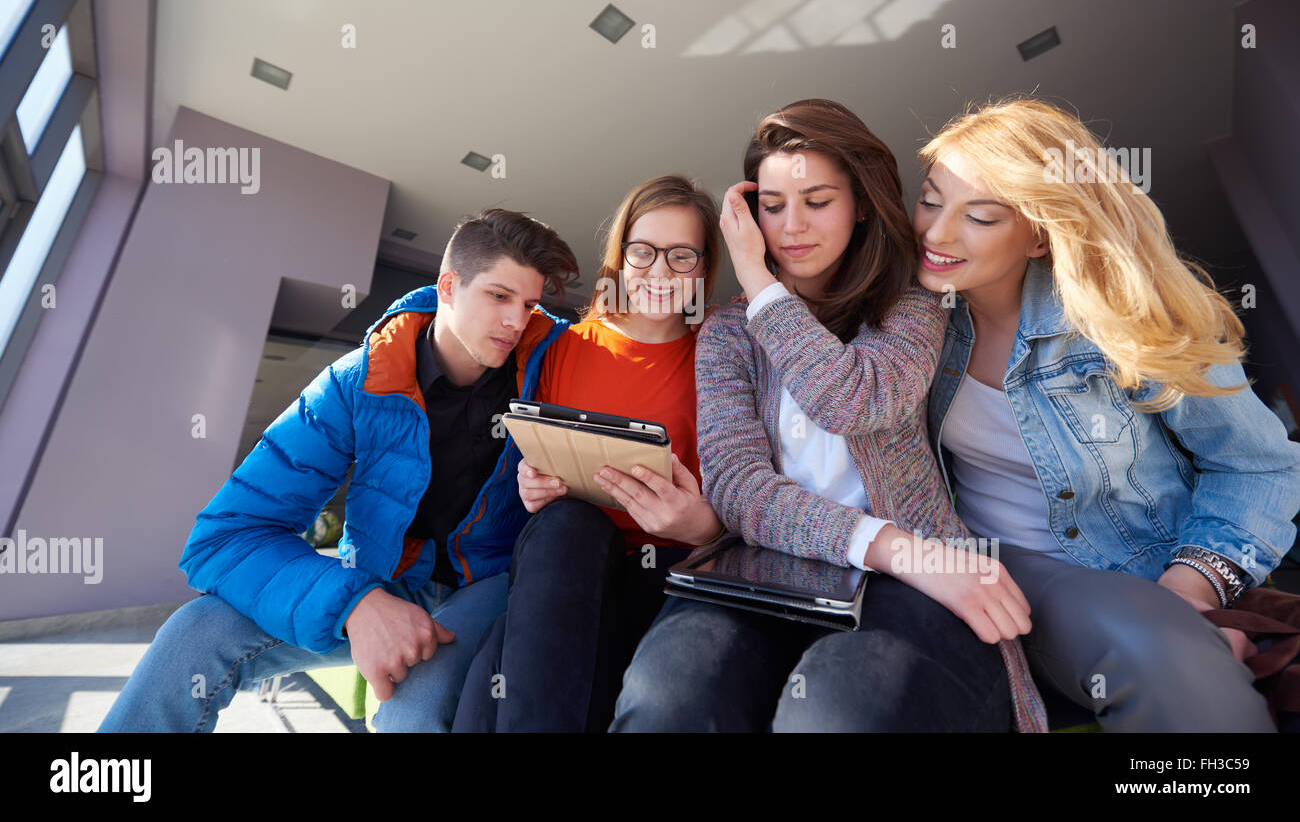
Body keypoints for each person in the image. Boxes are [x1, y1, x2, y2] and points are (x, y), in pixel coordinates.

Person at [611, 99, 1048, 733]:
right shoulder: (729, 331)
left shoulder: (913, 302)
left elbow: (854, 401)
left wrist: (762, 290)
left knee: (837, 712)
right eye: (773, 205)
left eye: (817, 202)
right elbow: (736, 486)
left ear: (861, 203)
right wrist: (893, 548)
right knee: (668, 699)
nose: (792, 227)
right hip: (778, 561)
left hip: (910, 577)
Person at [99, 208, 579, 732]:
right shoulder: (356, 383)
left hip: (489, 586)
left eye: (529, 303)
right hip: (383, 583)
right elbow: (223, 538)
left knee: (413, 711)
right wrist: (355, 601)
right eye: (498, 296)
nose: (516, 320)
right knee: (195, 631)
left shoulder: (557, 367)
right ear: (448, 286)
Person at [912, 96, 1300, 731]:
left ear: (1039, 233)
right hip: (977, 574)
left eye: (978, 216)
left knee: (1185, 679)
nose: (935, 233)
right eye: (930, 199)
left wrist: (1185, 595)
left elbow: (1257, 466)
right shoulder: (916, 322)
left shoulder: (1131, 320)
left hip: (1132, 583)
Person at [453, 175, 724, 732]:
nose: (659, 271)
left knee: (506, 692)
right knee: (567, 528)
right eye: (643, 251)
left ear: (703, 269)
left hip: (665, 566)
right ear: (620, 255)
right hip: (564, 564)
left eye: (682, 256)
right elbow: (538, 449)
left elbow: (744, 491)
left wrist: (705, 526)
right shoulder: (566, 345)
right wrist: (534, 484)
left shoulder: (719, 356)